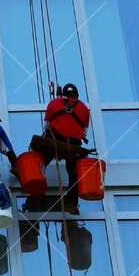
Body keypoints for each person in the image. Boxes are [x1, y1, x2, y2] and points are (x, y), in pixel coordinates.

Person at [27, 82, 91, 215]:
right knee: (74, 174)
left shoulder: (54, 103)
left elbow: (47, 126)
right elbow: (84, 132)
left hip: (54, 140)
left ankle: (37, 191)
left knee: (40, 162)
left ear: (63, 95)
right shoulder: (84, 108)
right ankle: (71, 203)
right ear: (77, 96)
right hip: (73, 146)